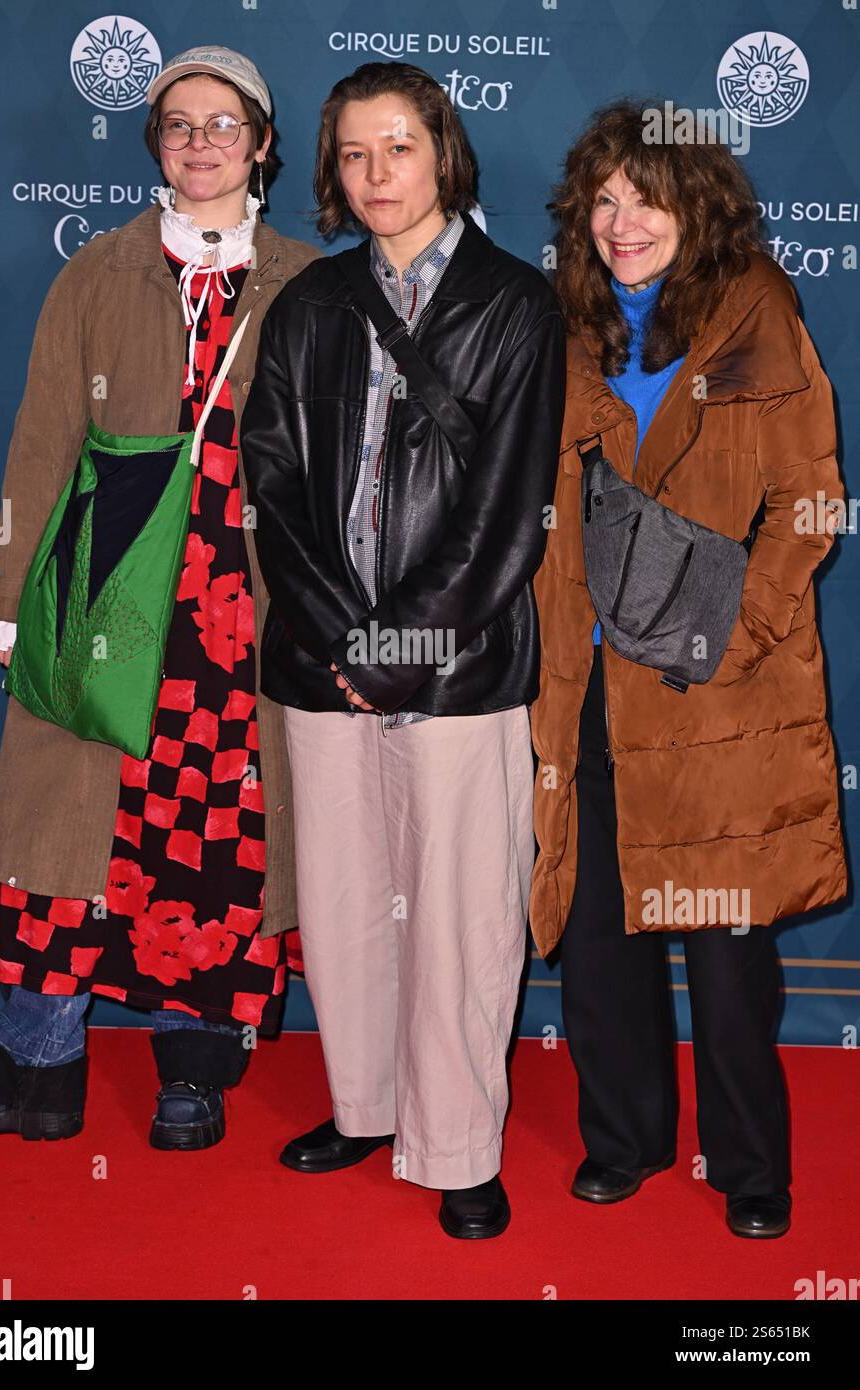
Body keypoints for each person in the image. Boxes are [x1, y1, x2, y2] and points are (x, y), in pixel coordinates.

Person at [0, 46, 320, 1150]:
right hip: (102, 586)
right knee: (68, 830)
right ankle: (43, 1058)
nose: (199, 144)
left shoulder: (303, 284)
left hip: (237, 609)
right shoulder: (97, 272)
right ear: (154, 143)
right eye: (176, 125)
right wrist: (10, 594)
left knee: (210, 836)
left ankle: (192, 1066)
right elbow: (39, 440)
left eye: (222, 125)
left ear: (260, 144)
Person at [240, 61, 564, 1238]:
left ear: (444, 154)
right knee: (341, 904)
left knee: (460, 914)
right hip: (324, 668)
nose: (377, 176)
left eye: (400, 149)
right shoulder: (309, 304)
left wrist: (401, 647)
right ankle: (367, 1106)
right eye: (354, 154)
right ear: (330, 169)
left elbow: (503, 517)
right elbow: (269, 486)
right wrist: (340, 638)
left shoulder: (514, 305)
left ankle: (457, 1143)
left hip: (459, 669)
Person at [529, 99, 848, 1238]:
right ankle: (622, 1140)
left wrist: (733, 630)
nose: (622, 222)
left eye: (645, 198)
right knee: (603, 941)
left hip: (719, 698)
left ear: (693, 205)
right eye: (603, 202)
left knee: (725, 955)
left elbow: (808, 499)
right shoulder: (563, 326)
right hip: (597, 696)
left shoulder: (755, 309)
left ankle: (749, 1164)